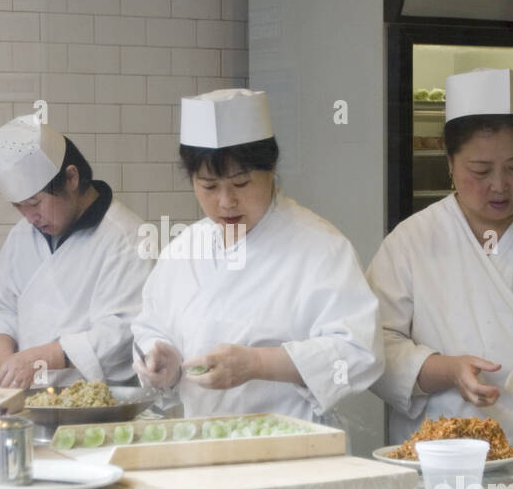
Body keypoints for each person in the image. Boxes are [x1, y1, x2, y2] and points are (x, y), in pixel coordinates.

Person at [366, 68, 513, 445]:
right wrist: (446, 370)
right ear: (450, 163)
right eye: (480, 170)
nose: (500, 185)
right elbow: (373, 346)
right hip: (443, 456)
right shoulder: (410, 243)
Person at [130, 88, 383, 422]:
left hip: (292, 451)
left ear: (272, 168)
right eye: (208, 186)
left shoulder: (319, 246)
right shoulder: (182, 249)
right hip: (203, 446)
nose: (225, 202)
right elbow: (151, 327)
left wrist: (257, 364)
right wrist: (164, 362)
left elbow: (360, 352)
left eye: (242, 183)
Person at [0, 115, 151, 388]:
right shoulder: (23, 234)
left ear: (71, 178)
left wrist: (45, 357)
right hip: (29, 396)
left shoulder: (127, 237)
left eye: (35, 203)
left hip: (101, 403)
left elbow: (124, 331)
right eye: (18, 207)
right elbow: (0, 303)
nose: (30, 217)